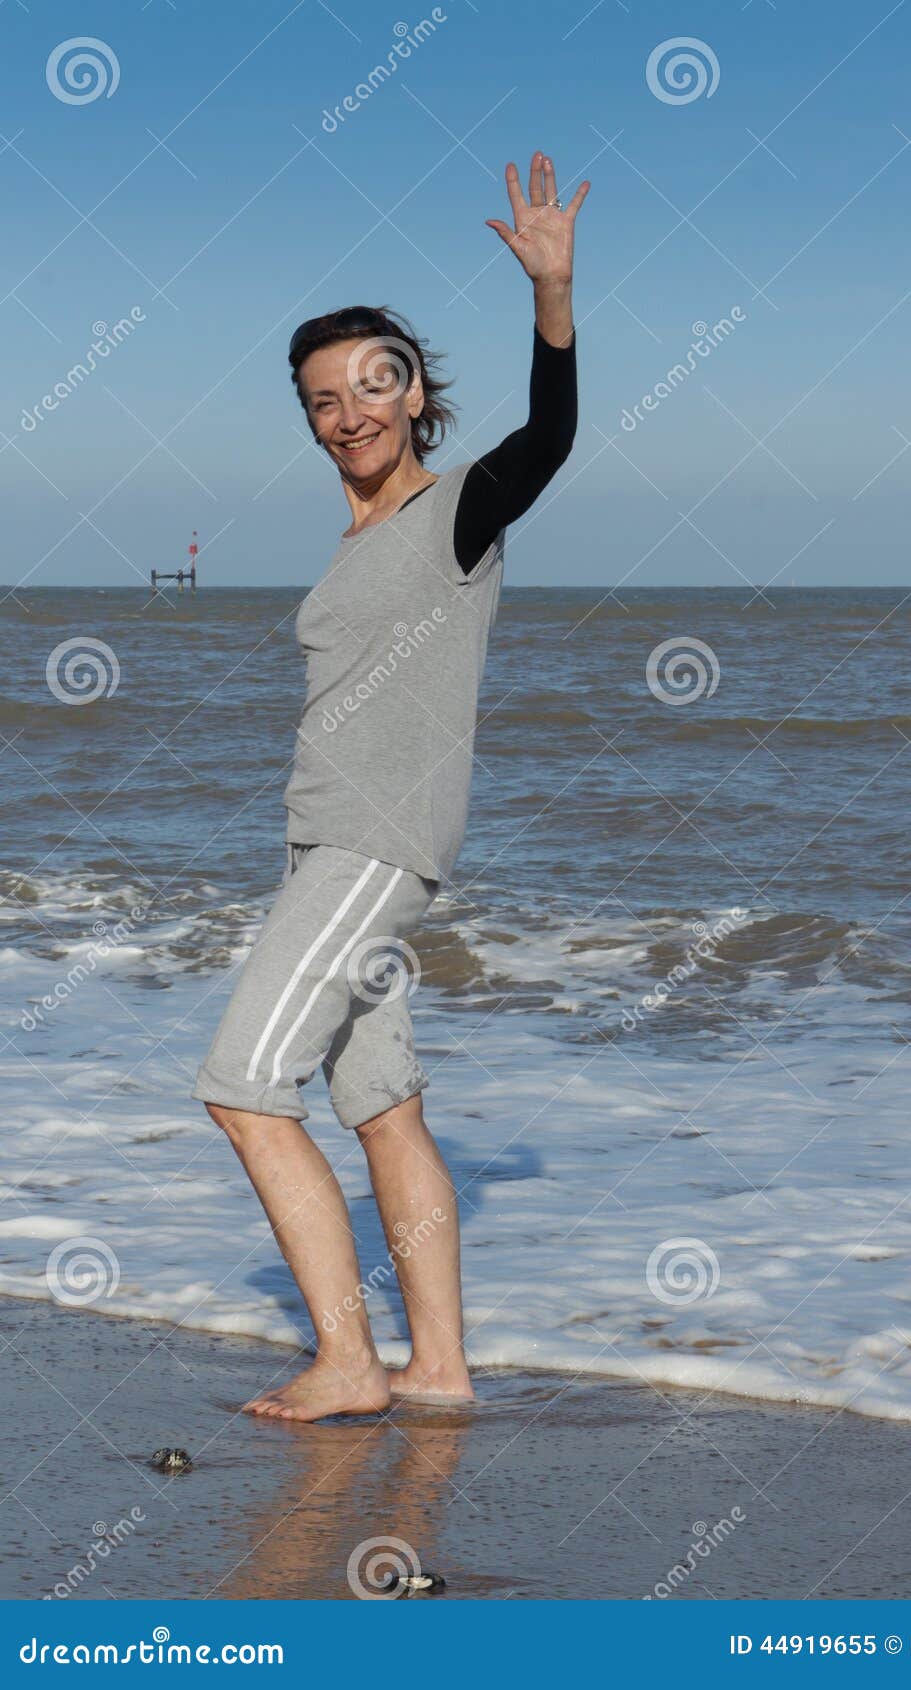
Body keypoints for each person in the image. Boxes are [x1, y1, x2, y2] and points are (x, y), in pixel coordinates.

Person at [191, 151, 587, 1421]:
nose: (350, 409)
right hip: (332, 848)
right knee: (383, 1110)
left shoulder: (456, 510)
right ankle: (444, 1370)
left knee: (242, 1089)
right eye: (323, 397)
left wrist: (552, 297)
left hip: (374, 842)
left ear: (417, 396)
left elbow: (553, 434)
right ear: (307, 417)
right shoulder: (357, 535)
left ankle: (348, 1360)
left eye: (375, 383)